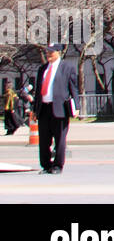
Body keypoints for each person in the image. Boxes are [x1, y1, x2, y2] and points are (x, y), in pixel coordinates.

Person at [35, 44, 78, 173]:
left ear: (58, 52)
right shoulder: (42, 69)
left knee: (59, 139)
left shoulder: (67, 67)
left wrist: (77, 106)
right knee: (44, 139)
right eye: (47, 52)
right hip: (44, 108)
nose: (48, 54)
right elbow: (38, 91)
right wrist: (34, 109)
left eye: (51, 52)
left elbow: (73, 88)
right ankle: (46, 165)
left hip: (60, 109)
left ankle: (57, 166)